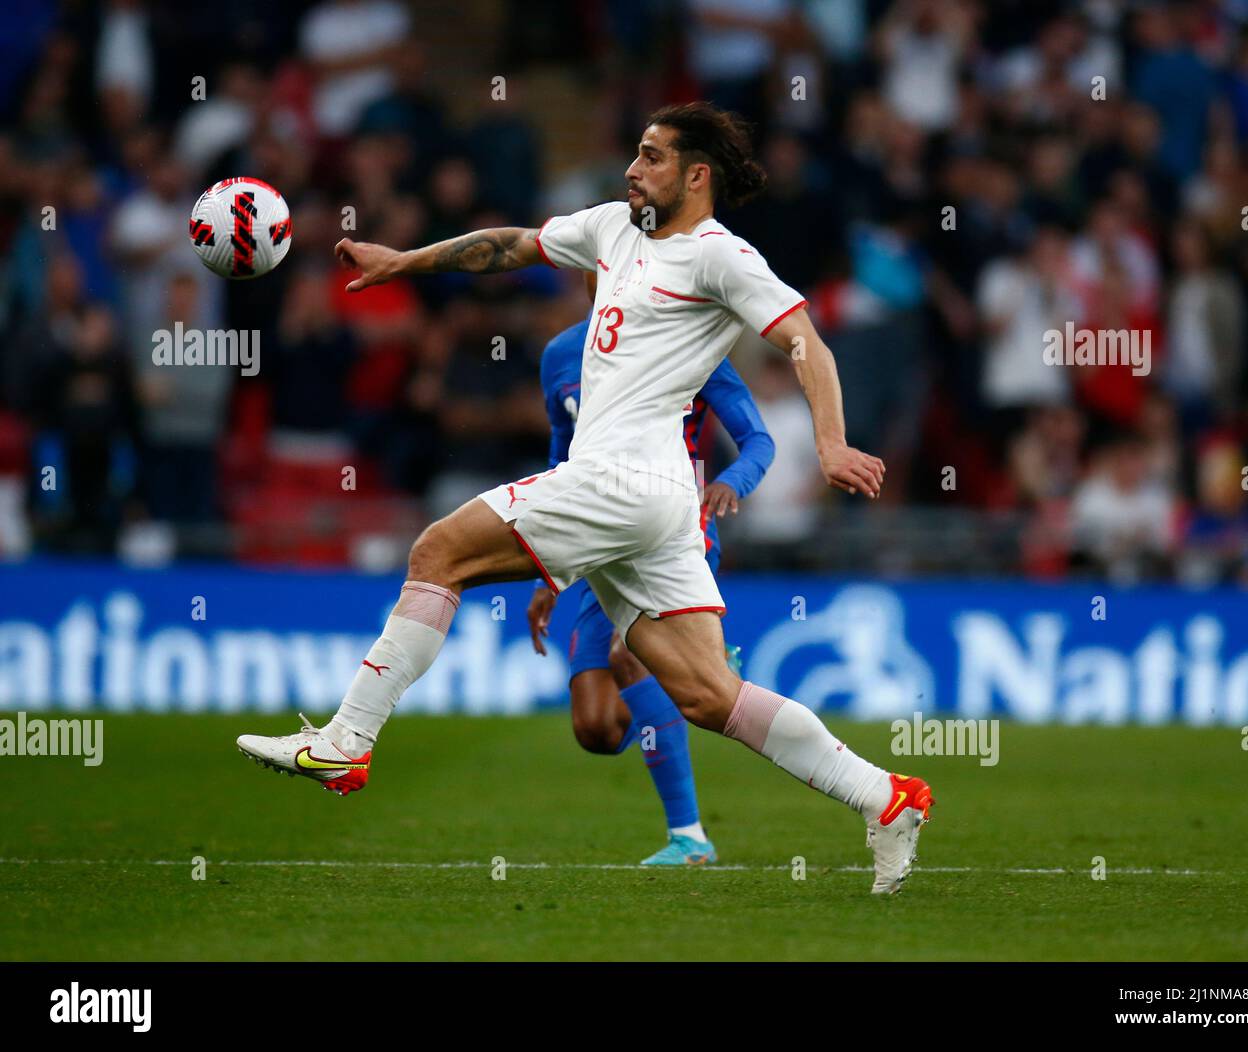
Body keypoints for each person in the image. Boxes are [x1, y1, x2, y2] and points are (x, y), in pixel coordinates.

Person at [237, 102, 934, 894]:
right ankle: (887, 798)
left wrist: (832, 443)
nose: (632, 170)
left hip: (622, 481)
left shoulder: (721, 257)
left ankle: (348, 739)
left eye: (651, 157)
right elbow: (510, 246)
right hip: (655, 502)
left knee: (438, 552)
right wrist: (405, 263)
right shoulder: (614, 227)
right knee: (710, 696)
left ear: (696, 175)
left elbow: (807, 340)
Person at [527, 269, 774, 865]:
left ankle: (690, 838)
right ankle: (692, 662)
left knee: (627, 654)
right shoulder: (562, 354)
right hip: (596, 542)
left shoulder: (691, 343)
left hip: (675, 533)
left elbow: (758, 440)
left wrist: (728, 483)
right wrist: (548, 566)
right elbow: (562, 458)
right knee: (598, 728)